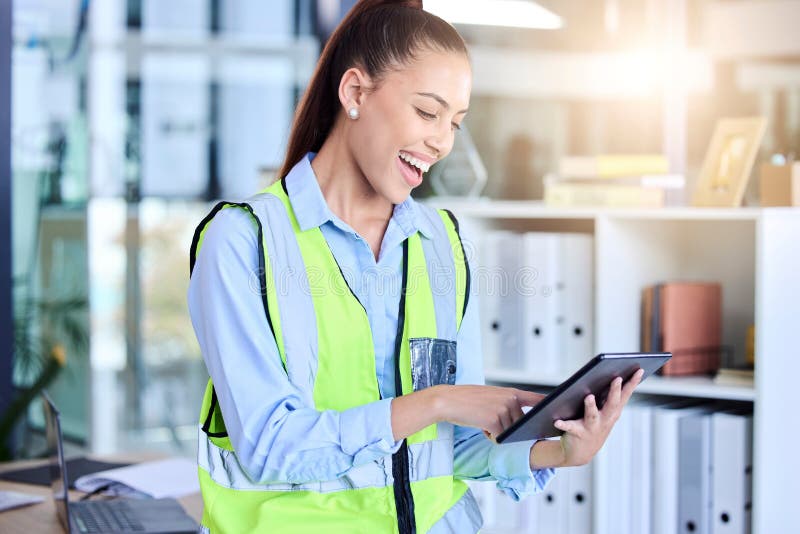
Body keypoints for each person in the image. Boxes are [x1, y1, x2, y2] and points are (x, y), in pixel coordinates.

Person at [187, 1, 644, 532]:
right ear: (355, 92)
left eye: (455, 122)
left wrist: (558, 452)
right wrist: (436, 402)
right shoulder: (244, 241)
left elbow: (452, 451)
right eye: (428, 112)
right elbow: (270, 449)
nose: (442, 142)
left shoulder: (442, 243)